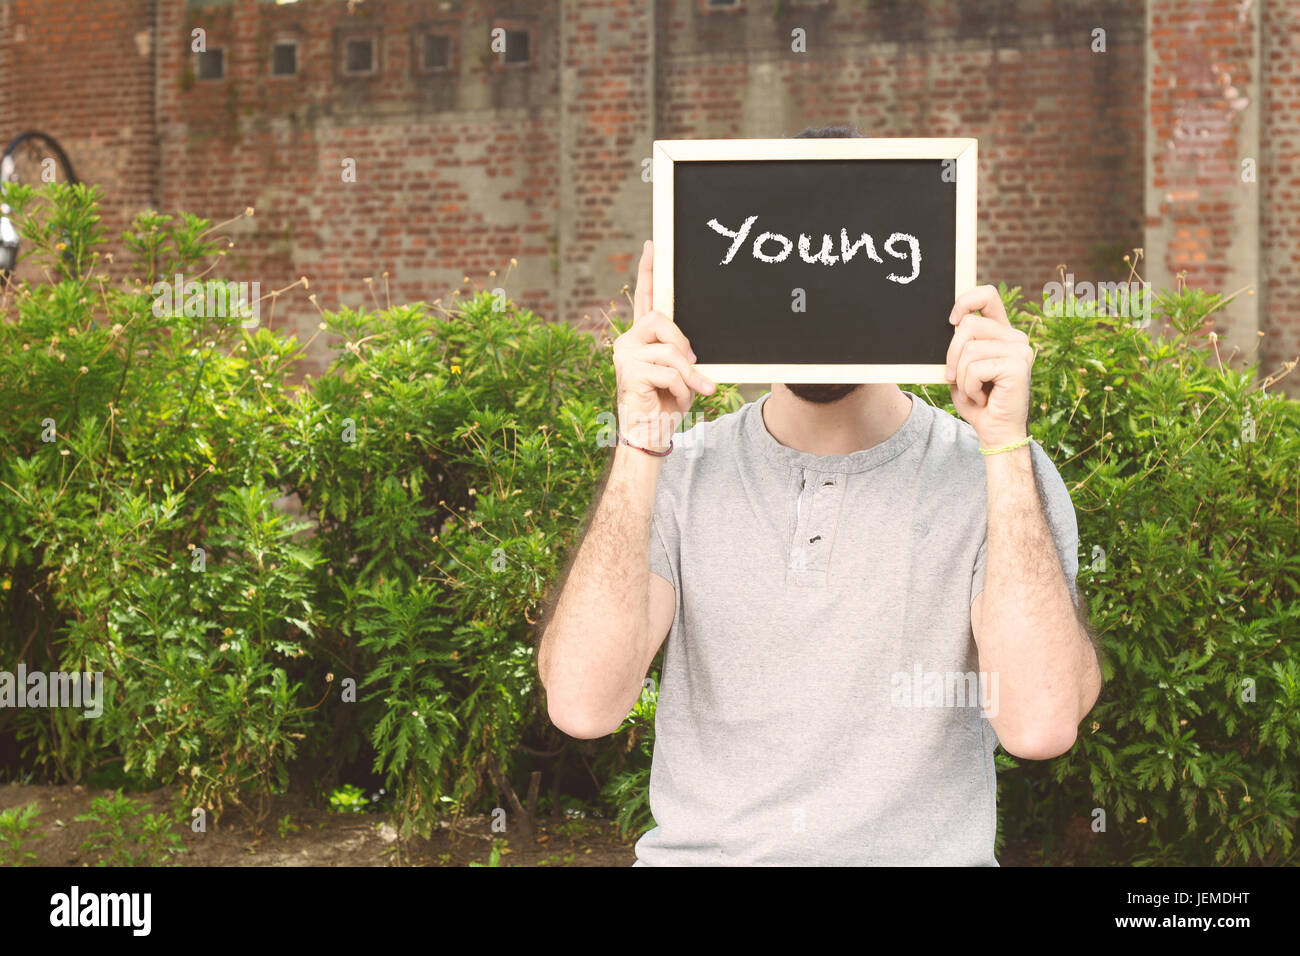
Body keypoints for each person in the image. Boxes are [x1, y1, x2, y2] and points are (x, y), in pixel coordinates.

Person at [537, 126, 1102, 866]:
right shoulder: (675, 469)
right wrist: (640, 441)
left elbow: (1042, 725)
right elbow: (582, 706)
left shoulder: (997, 474)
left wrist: (1003, 441)